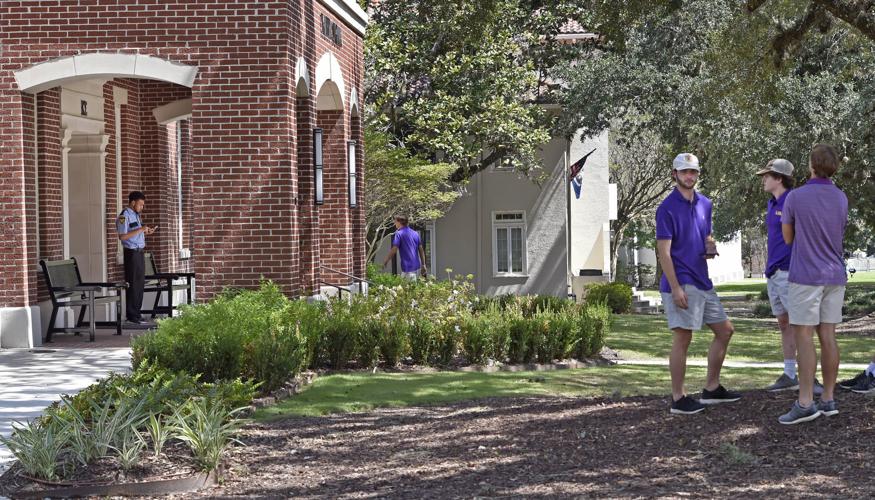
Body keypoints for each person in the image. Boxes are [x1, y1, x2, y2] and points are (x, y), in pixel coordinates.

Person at [656, 153, 741, 415]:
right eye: (684, 172)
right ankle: (678, 398)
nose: (689, 176)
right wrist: (676, 287)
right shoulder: (666, 208)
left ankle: (711, 388)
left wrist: (709, 245)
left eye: (693, 172)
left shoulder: (705, 203)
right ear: (675, 174)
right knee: (683, 337)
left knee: (725, 331)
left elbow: (706, 233)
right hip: (682, 280)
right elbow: (664, 253)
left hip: (703, 279)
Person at [778, 144, 848, 425]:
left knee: (804, 336)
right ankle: (828, 398)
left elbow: (787, 238)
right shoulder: (841, 198)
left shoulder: (795, 197)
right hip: (834, 275)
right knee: (828, 335)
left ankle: (805, 402)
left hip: (806, 276)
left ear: (812, 165)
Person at [756, 159, 824, 395]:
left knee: (800, 326)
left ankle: (810, 378)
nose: (763, 179)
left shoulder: (794, 201)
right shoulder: (771, 203)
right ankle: (789, 374)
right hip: (773, 272)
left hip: (790, 271)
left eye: (767, 175)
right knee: (784, 324)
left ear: (779, 177)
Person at [116, 191, 157, 325]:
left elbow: (136, 233)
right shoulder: (124, 216)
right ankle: (132, 315)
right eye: (140, 204)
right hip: (131, 253)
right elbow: (122, 236)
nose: (141, 207)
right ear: (133, 202)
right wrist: (141, 230)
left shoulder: (136, 215)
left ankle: (137, 314)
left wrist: (146, 231)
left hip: (140, 252)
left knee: (139, 284)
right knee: (133, 283)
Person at [381, 215, 427, 280]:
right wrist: (423, 264)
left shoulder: (399, 233)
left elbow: (394, 249)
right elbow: (421, 250)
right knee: (403, 287)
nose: (395, 223)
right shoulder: (415, 233)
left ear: (399, 222)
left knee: (408, 288)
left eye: (395, 222)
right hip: (416, 267)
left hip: (408, 268)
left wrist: (386, 260)